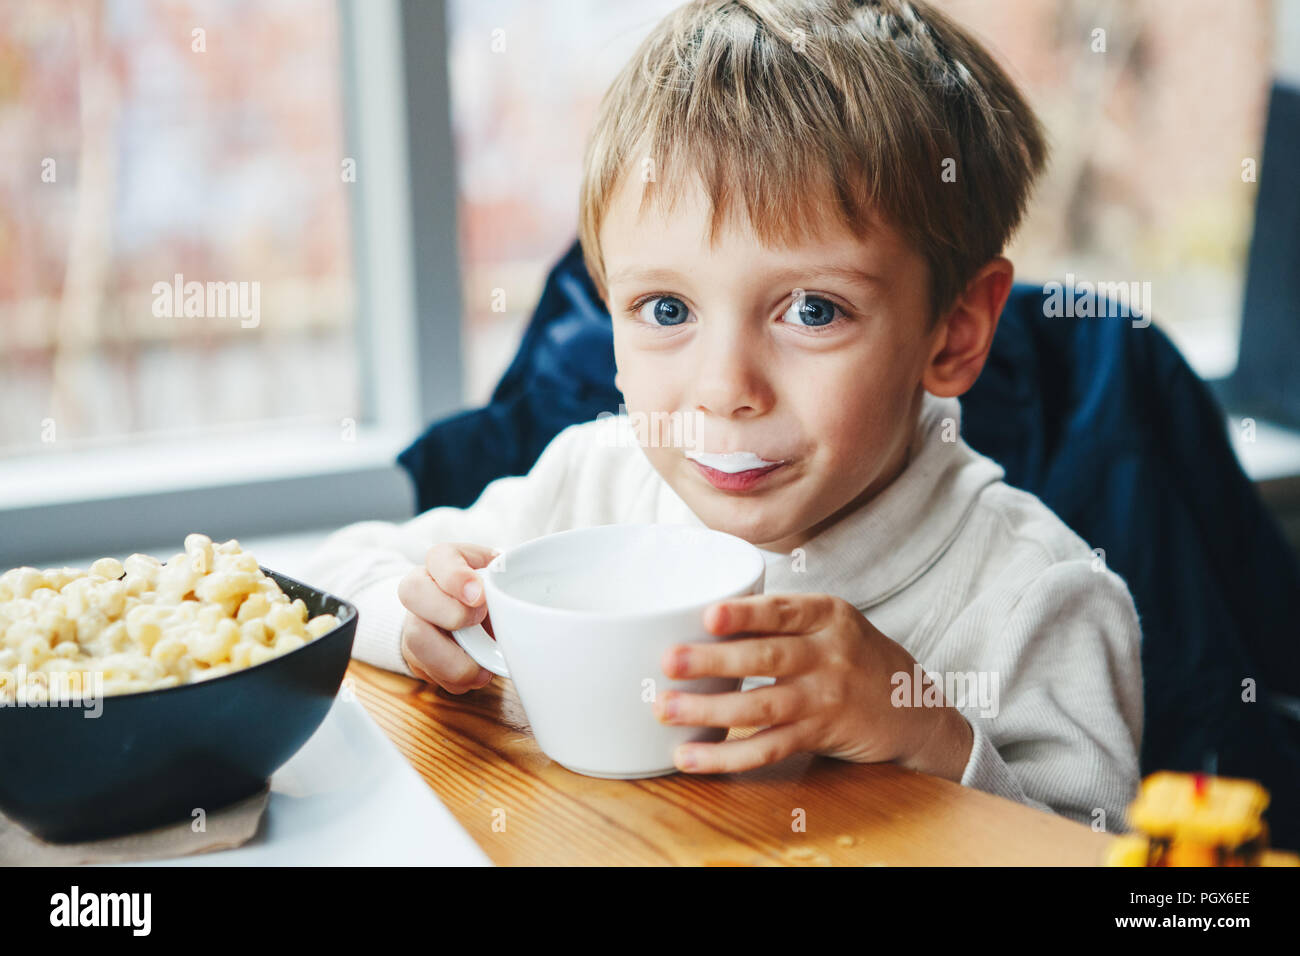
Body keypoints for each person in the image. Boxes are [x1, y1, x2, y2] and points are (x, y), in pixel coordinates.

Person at [305, 0, 1142, 828]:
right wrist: (412, 620)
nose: (724, 389)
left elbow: (1115, 868)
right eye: (666, 309)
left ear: (954, 333)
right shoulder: (593, 482)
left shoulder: (1042, 600)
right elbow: (332, 580)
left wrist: (924, 726)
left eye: (813, 310)